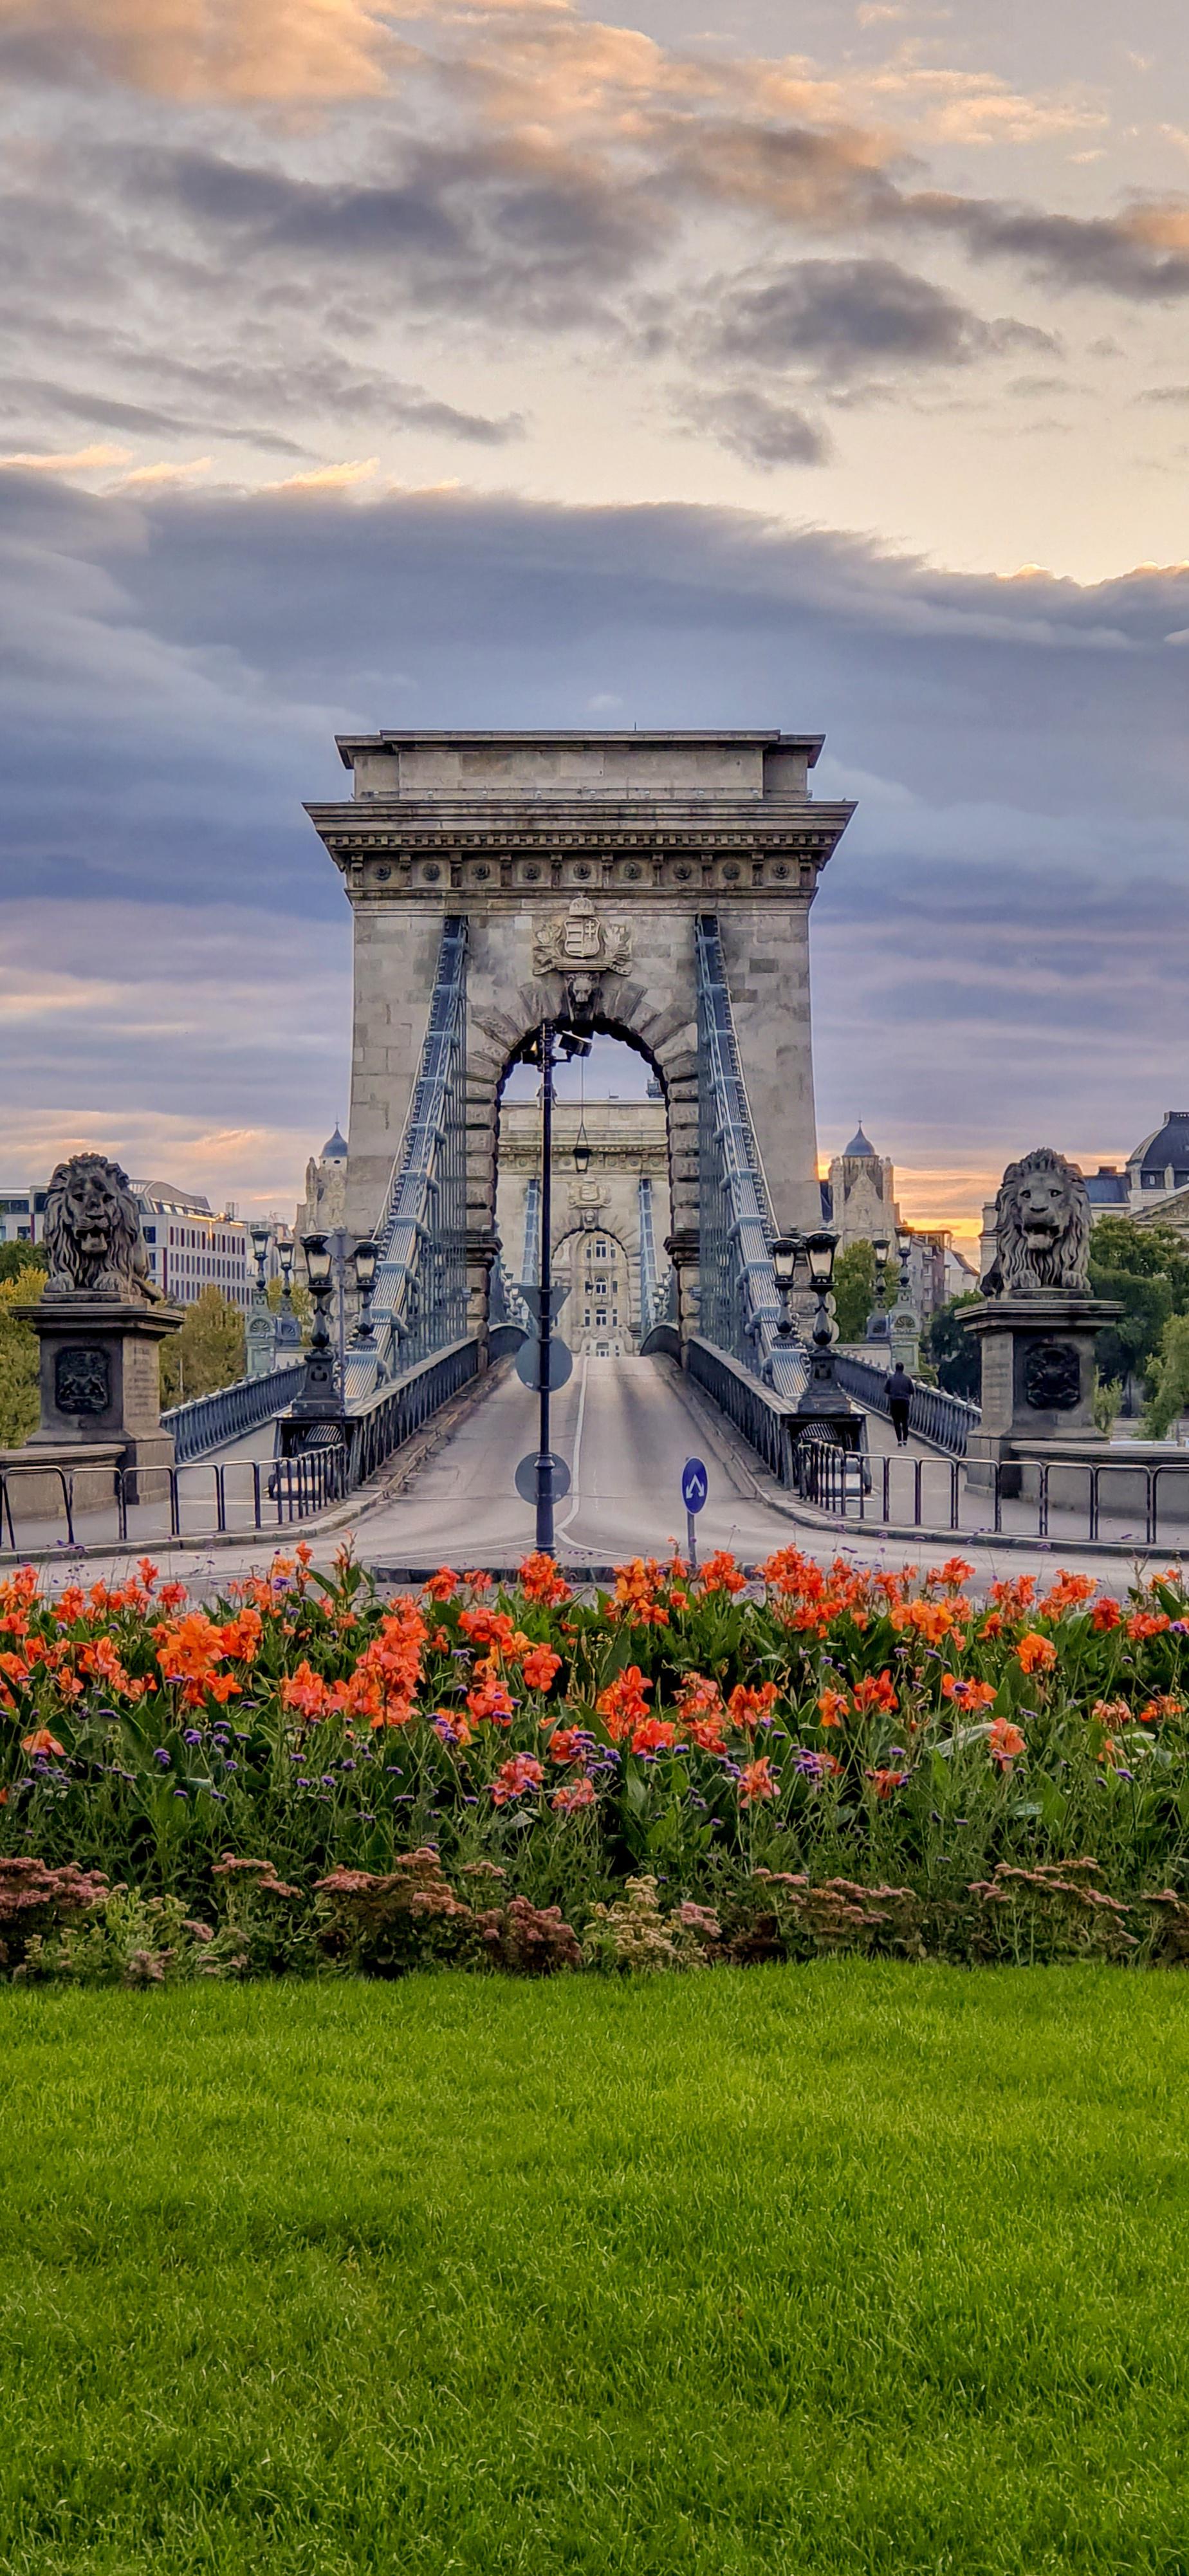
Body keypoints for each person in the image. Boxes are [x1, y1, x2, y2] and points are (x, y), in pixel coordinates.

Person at [885, 1361, 914, 1448]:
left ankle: (899, 1440)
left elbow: (886, 1390)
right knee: (905, 1420)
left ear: (896, 1369)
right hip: (905, 1402)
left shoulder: (891, 1379)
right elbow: (912, 1391)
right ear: (903, 1369)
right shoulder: (908, 1379)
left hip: (894, 1401)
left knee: (896, 1421)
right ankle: (905, 1439)